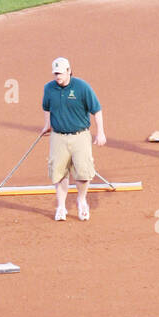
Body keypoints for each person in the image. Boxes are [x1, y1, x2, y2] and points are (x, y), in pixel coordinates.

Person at [40, 56, 106, 222]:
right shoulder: (49, 88)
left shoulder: (82, 87)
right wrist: (47, 124)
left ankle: (81, 201)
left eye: (61, 73)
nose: (57, 77)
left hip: (80, 136)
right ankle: (61, 206)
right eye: (55, 73)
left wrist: (101, 132)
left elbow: (96, 110)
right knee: (59, 173)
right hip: (58, 137)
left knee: (83, 173)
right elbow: (47, 108)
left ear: (69, 71)